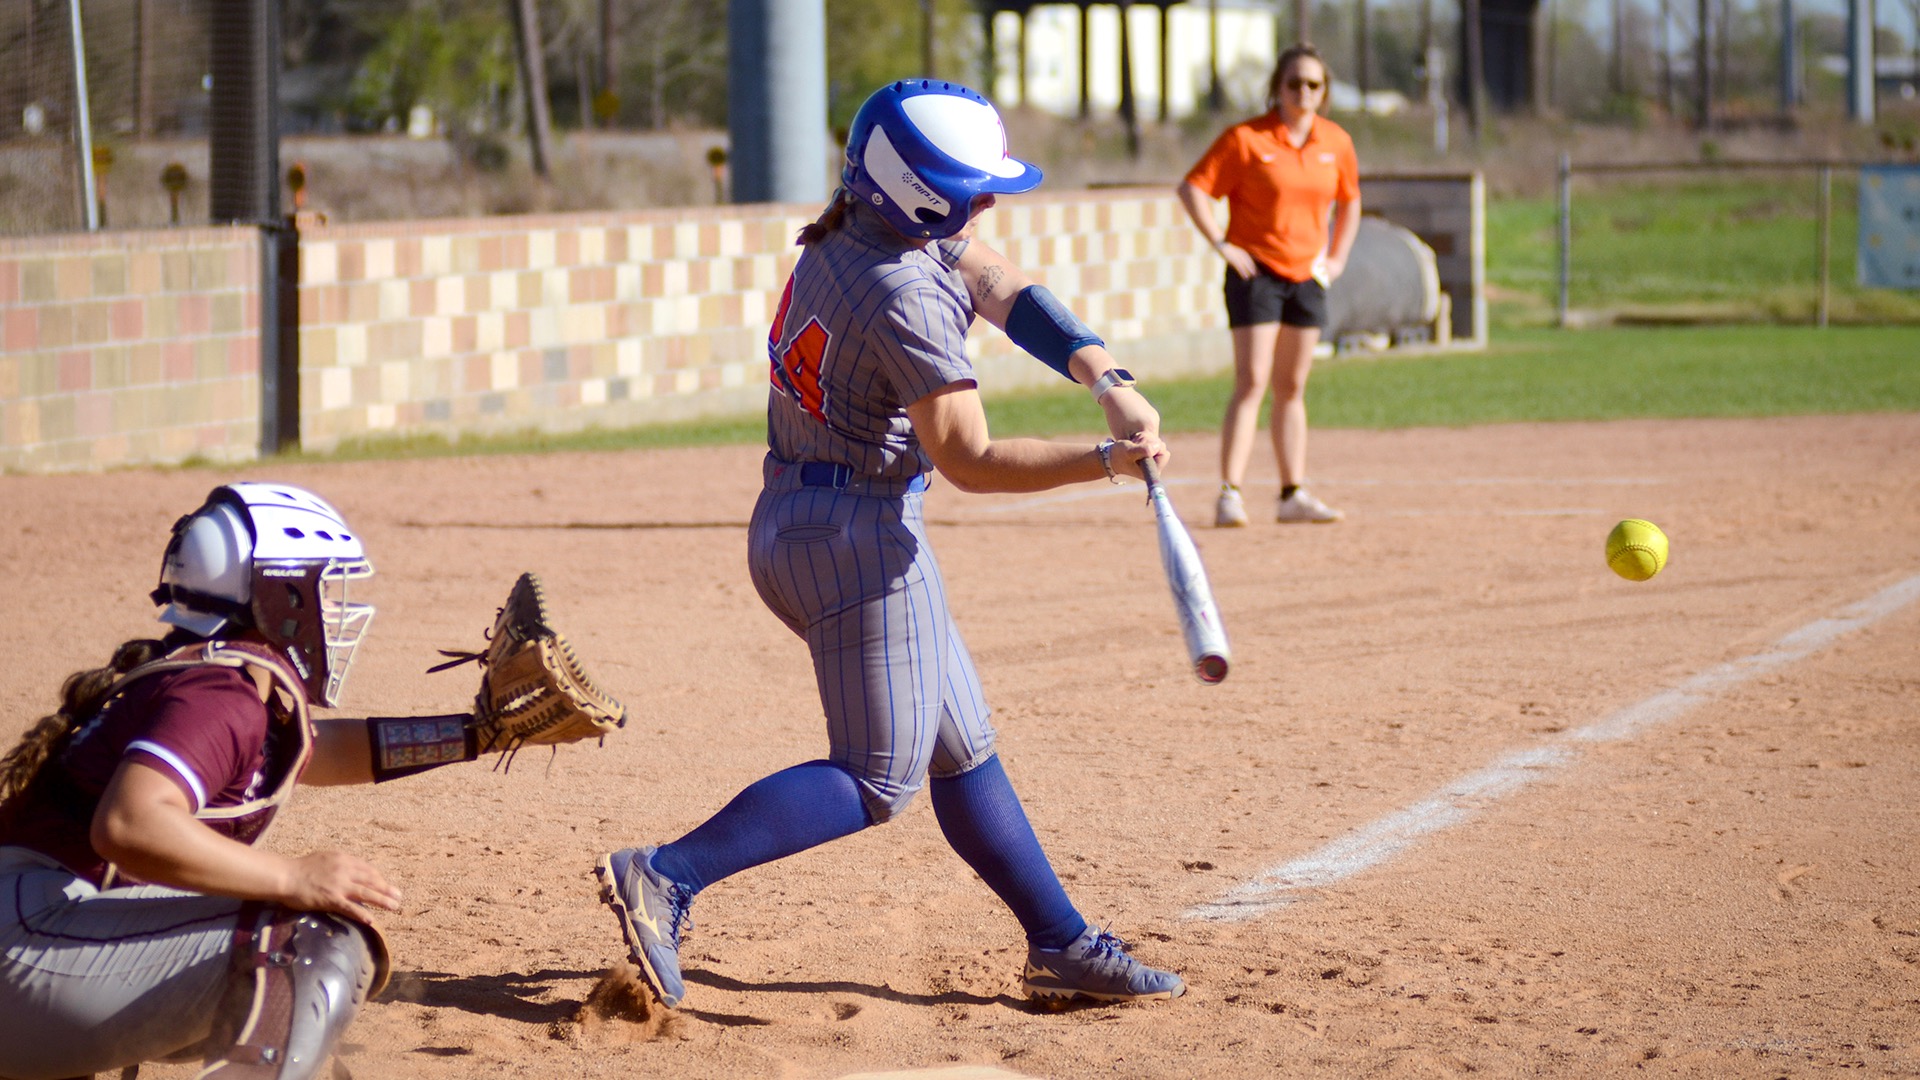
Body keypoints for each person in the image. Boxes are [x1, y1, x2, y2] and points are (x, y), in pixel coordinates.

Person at [595, 79, 1186, 1010]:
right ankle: (664, 874)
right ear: (914, 190)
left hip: (811, 514)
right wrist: (1107, 459)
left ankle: (1060, 943)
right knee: (879, 777)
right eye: (969, 187)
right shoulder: (900, 290)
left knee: (962, 745)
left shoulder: (857, 228)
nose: (986, 202)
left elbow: (992, 274)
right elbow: (972, 459)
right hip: (855, 539)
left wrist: (1101, 369)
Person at [0, 483, 501, 1080]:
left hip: (38, 938)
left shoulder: (210, 678)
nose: (334, 609)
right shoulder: (218, 694)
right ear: (276, 594)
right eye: (320, 586)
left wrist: (480, 734)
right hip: (30, 946)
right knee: (306, 935)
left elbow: (317, 752)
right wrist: (292, 874)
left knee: (289, 1017)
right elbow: (130, 823)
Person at [1177, 43, 1362, 528]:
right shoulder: (1246, 138)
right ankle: (1229, 495)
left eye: (1314, 84)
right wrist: (1221, 243)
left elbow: (1351, 200)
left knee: (1292, 385)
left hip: (1307, 277)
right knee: (1252, 381)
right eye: (1294, 83)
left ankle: (1291, 494)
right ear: (1277, 88)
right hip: (1255, 273)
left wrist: (1337, 258)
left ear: (1325, 92)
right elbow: (1193, 187)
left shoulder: (1336, 141)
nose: (1304, 92)